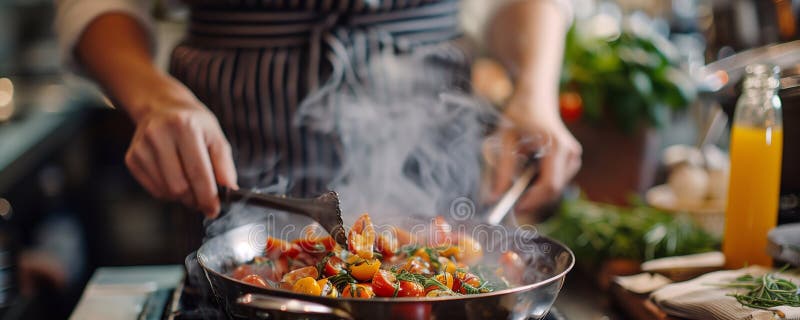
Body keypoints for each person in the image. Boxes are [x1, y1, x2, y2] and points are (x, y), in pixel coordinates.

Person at [55, 0, 581, 219]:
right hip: (233, 124)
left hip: (428, 109)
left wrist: (534, 92)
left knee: (440, 278)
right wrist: (154, 98)